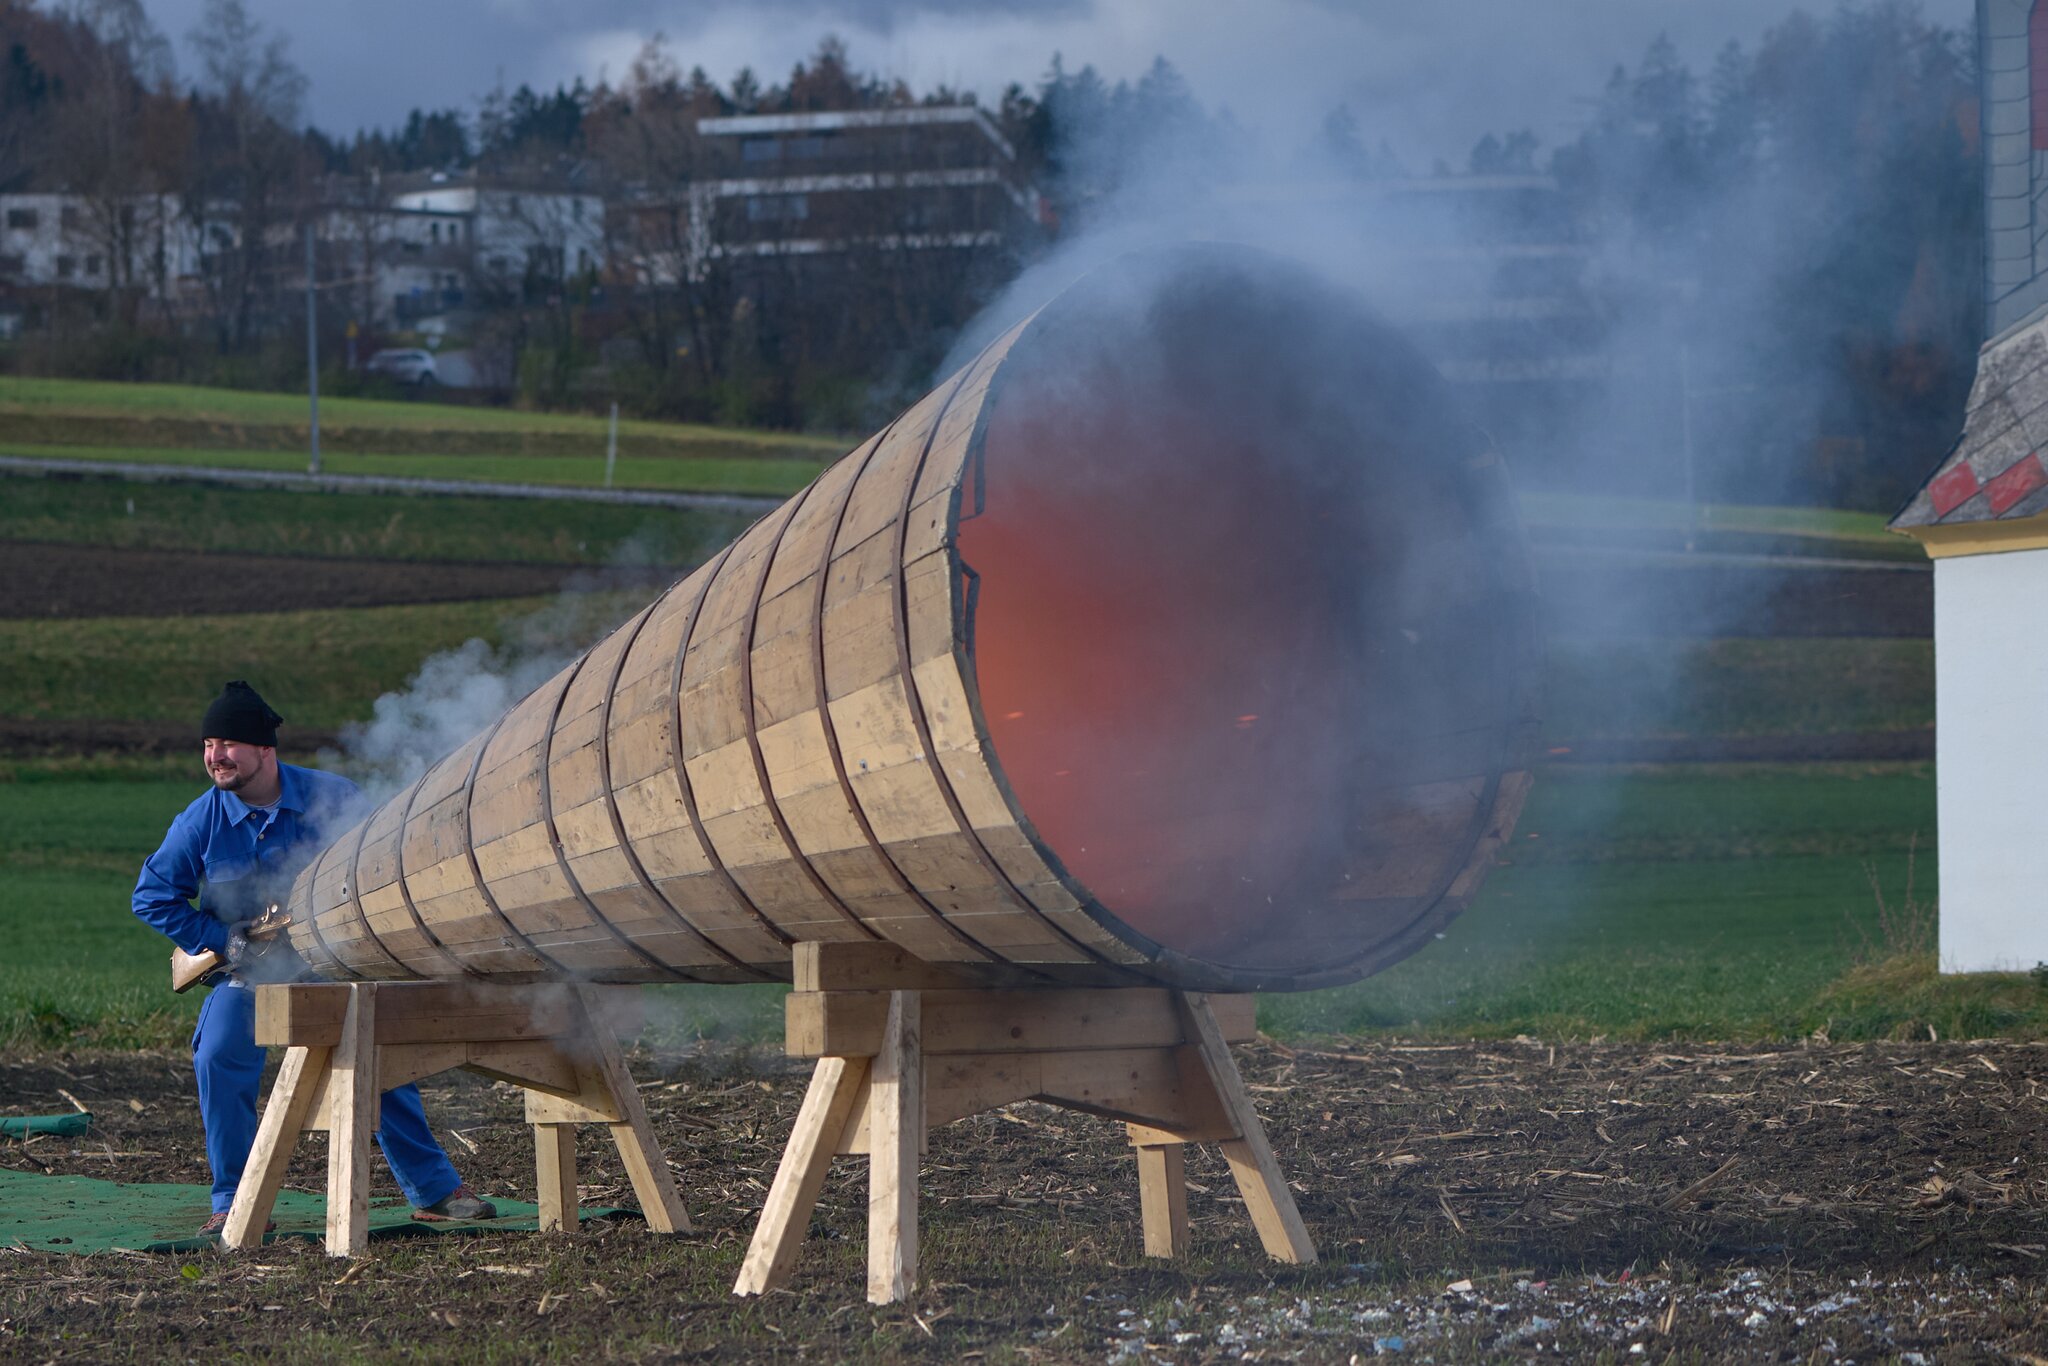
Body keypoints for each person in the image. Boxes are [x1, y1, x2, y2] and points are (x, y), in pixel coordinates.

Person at [133, 680, 497, 1237]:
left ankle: (434, 1190)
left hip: (333, 965)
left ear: (265, 749)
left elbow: (385, 867)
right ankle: (234, 1201)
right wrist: (222, 938)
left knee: (376, 1051)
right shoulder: (199, 820)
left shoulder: (336, 799)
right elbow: (150, 897)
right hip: (249, 974)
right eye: (208, 744)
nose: (214, 756)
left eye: (228, 743)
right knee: (217, 1053)